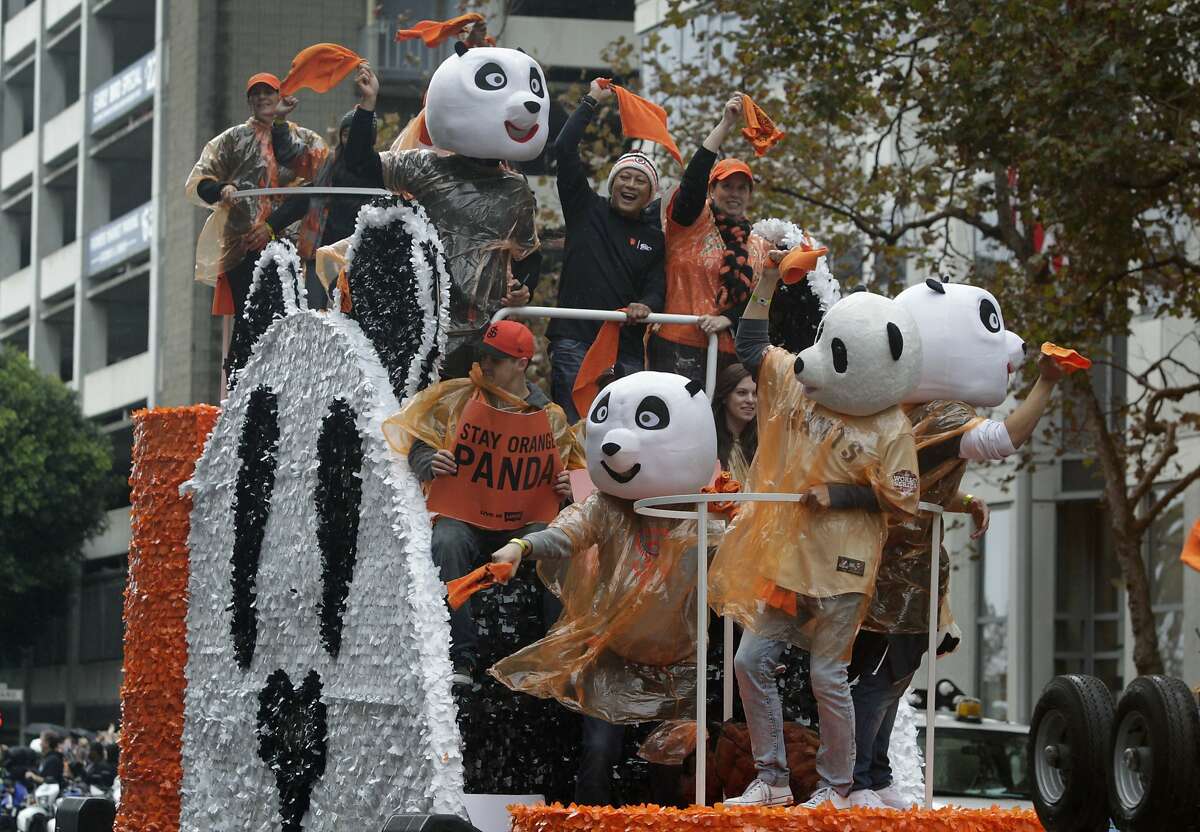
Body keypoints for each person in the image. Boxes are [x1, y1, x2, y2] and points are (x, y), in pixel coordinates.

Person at [710, 255, 923, 809]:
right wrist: (764, 282)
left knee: (828, 675)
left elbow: (904, 496)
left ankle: (836, 787)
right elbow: (752, 347)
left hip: (844, 568)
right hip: (788, 564)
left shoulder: (890, 425)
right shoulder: (802, 385)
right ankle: (773, 779)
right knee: (750, 662)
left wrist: (843, 494)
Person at [847, 281, 1066, 809]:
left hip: (900, 569)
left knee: (893, 677)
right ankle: (856, 778)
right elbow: (1001, 439)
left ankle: (873, 776)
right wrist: (1047, 384)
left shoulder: (903, 411)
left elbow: (911, 478)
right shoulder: (940, 412)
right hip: (895, 574)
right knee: (882, 677)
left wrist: (961, 498)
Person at [383, 321, 584, 686]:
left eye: (497, 359)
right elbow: (420, 448)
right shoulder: (458, 400)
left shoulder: (551, 416)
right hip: (466, 519)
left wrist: (568, 484)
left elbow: (576, 477)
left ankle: (556, 653)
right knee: (446, 541)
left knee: (556, 542)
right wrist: (431, 461)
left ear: (522, 363)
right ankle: (461, 657)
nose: (487, 365)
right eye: (484, 356)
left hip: (525, 526)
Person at [346, 61, 543, 378]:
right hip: (425, 324)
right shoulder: (427, 167)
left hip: (485, 332)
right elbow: (360, 164)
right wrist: (368, 105)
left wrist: (523, 289)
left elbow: (529, 256)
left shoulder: (515, 190)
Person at [186, 72, 328, 383]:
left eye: (269, 92)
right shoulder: (232, 140)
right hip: (244, 248)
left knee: (291, 316)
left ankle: (288, 385)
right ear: (249, 100)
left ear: (281, 96)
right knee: (250, 320)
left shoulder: (303, 141)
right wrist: (221, 189)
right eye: (257, 93)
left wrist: (273, 227)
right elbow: (201, 181)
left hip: (293, 248)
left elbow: (321, 184)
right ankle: (243, 386)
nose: (263, 97)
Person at [546, 78, 666, 421]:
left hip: (625, 351)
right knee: (576, 431)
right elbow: (564, 148)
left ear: (650, 194)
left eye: (639, 180)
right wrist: (590, 102)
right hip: (574, 342)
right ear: (612, 184)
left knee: (621, 433)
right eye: (624, 178)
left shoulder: (654, 237)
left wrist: (648, 305)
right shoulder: (585, 208)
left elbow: (657, 286)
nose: (630, 184)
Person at [649, 95, 771, 385]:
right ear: (712, 190)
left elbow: (764, 300)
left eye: (742, 188)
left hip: (733, 357)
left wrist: (729, 317)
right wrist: (726, 124)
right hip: (678, 344)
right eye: (726, 185)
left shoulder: (760, 244)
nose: (734, 193)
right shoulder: (691, 221)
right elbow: (692, 181)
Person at [263, 108, 382, 308]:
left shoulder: (383, 167)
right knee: (315, 314)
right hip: (320, 253)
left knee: (352, 314)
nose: (351, 140)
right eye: (346, 134)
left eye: (357, 135)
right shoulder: (326, 164)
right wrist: (281, 122)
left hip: (360, 257)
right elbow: (292, 157)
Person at [711, 362, 757, 483]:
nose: (750, 400)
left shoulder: (762, 445)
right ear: (725, 397)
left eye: (755, 393)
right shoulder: (706, 443)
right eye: (742, 393)